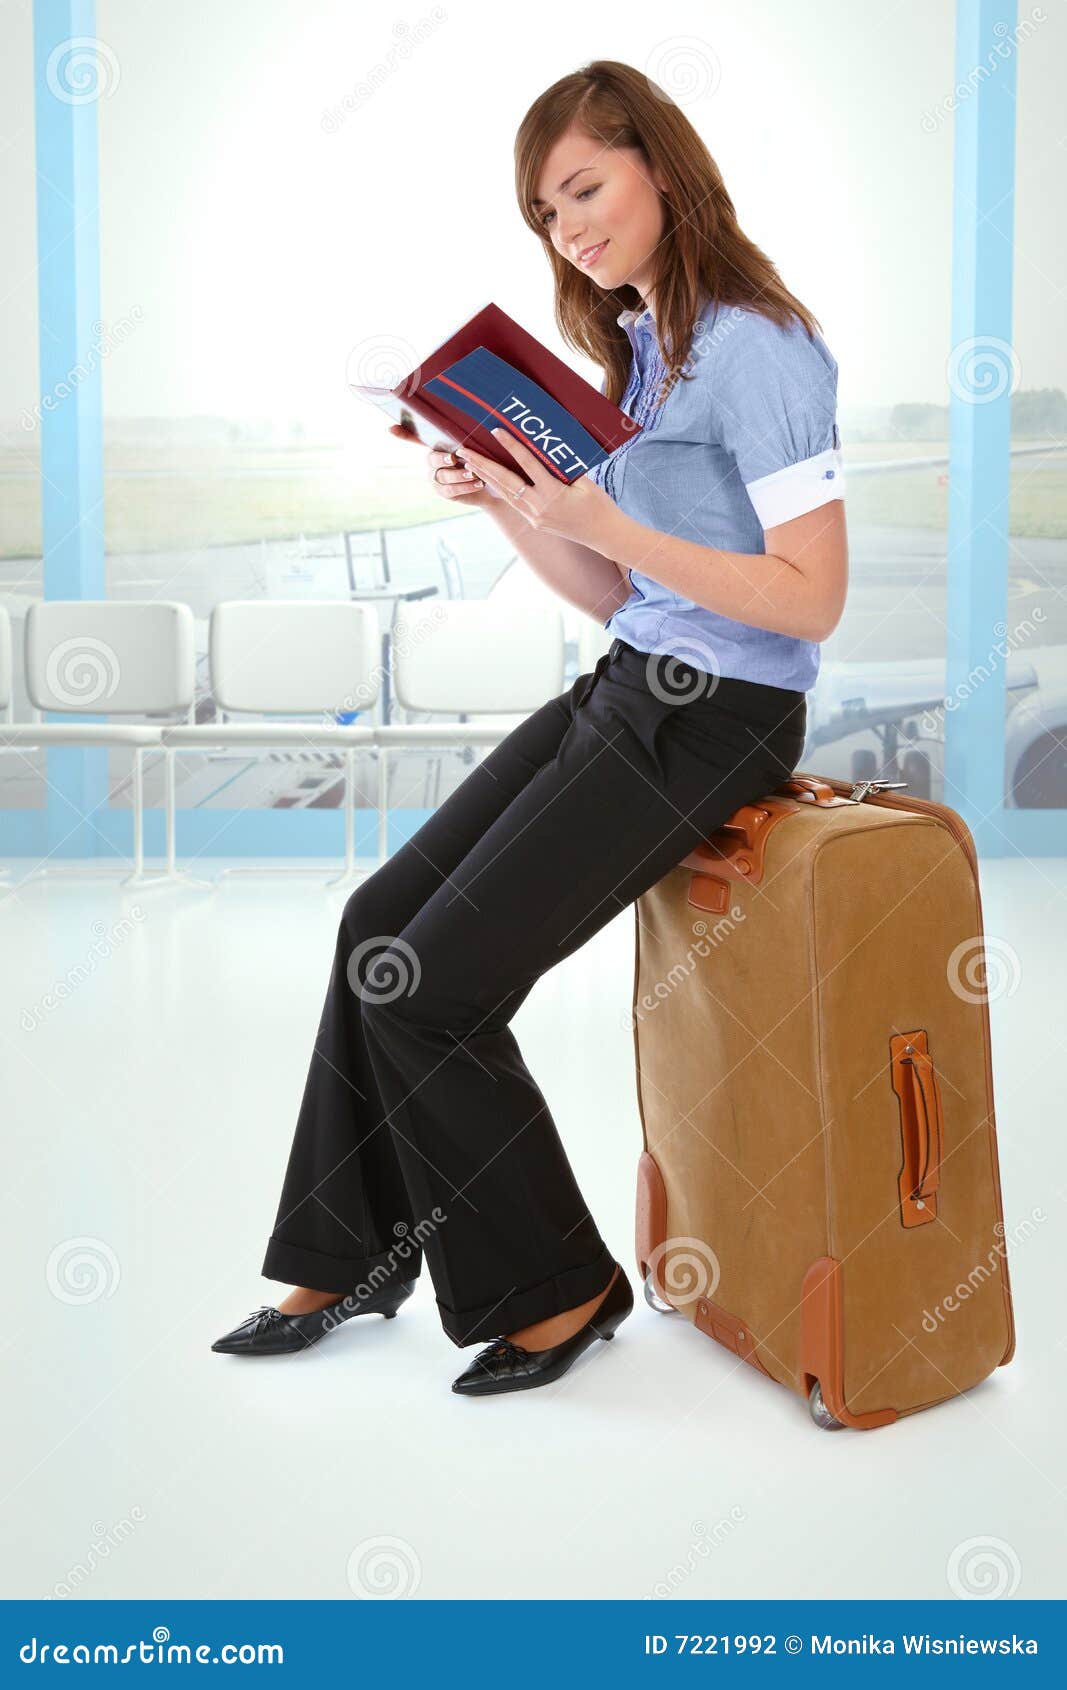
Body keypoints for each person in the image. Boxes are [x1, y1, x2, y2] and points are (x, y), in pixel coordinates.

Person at [211, 58, 848, 1396]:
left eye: (586, 190)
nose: (569, 231)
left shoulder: (760, 347)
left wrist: (609, 519)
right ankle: (350, 1251)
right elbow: (619, 587)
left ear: (661, 170)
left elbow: (816, 598)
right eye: (547, 215)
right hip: (634, 681)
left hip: (719, 715)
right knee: (378, 929)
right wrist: (510, 503)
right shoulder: (645, 350)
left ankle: (561, 1288)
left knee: (436, 988)